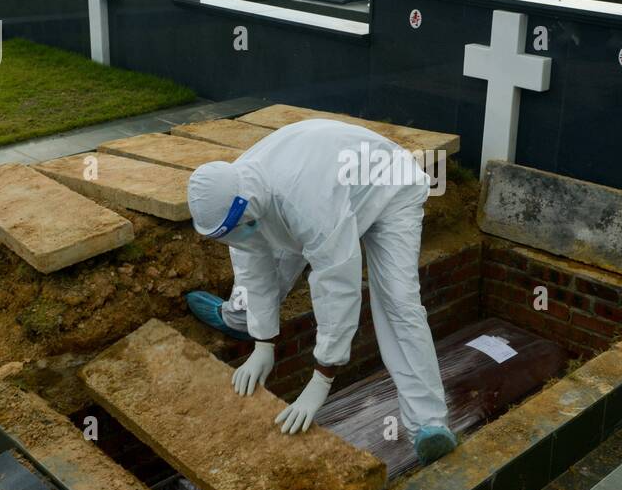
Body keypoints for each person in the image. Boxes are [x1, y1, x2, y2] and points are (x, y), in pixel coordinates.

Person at [185, 118, 457, 465]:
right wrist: (263, 342)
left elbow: (337, 286)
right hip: (324, 186)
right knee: (263, 261)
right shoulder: (236, 194)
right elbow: (255, 266)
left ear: (245, 205)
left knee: (398, 301)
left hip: (389, 187)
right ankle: (239, 320)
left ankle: (429, 424)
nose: (235, 236)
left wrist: (322, 376)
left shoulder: (307, 203)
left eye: (237, 227)